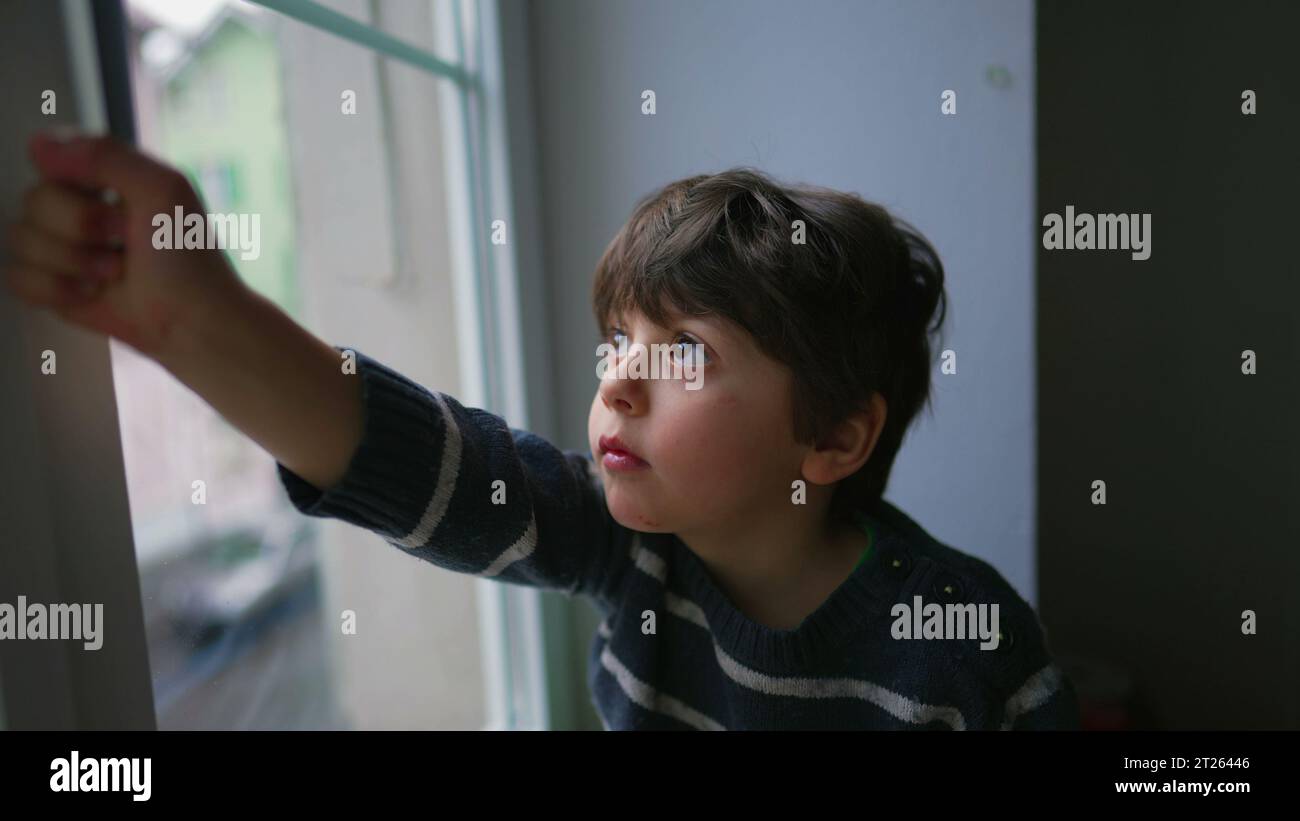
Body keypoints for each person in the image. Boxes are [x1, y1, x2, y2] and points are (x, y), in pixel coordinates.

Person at [4, 131, 1080, 730]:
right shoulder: (629, 544)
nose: (616, 383)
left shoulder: (967, 646)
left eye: (684, 354)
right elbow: (424, 461)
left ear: (834, 439)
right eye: (617, 339)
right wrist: (196, 322)